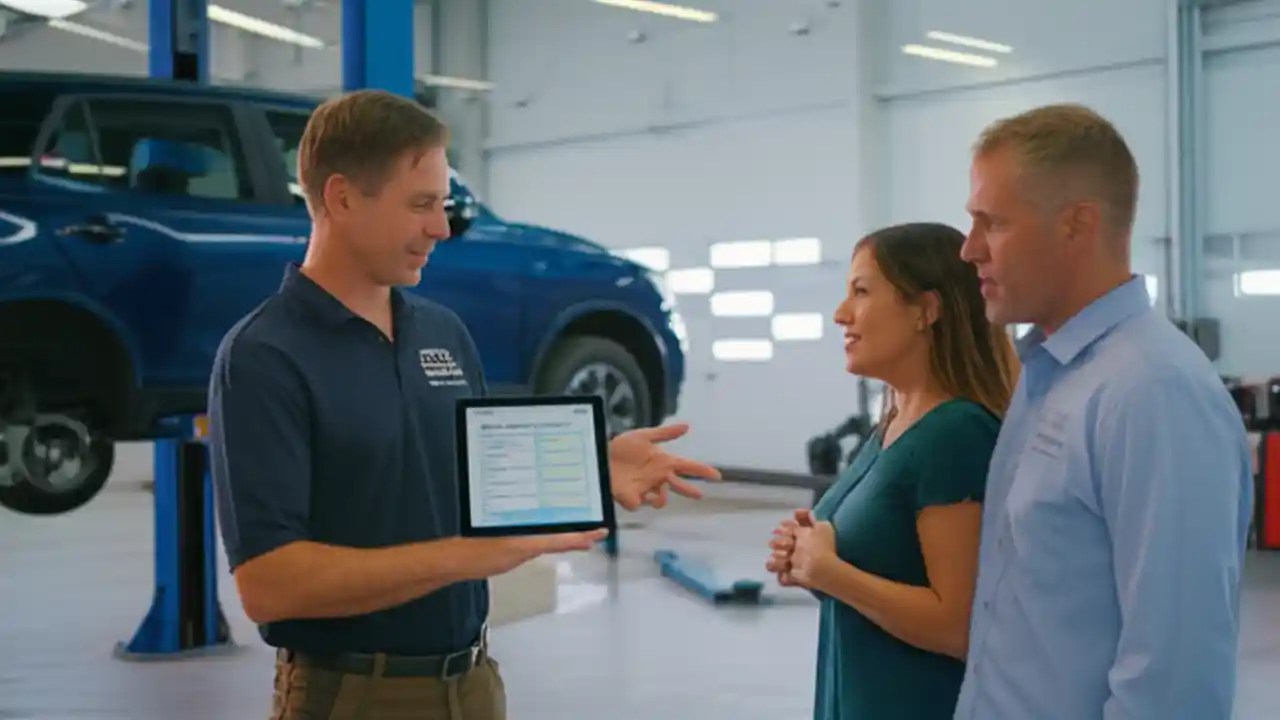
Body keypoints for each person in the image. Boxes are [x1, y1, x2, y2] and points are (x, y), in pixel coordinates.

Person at [205, 89, 720, 720]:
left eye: (442, 206)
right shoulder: (264, 357)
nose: (441, 228)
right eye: (420, 205)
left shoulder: (442, 332)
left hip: (473, 684)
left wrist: (588, 470)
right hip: (352, 697)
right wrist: (471, 557)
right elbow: (269, 585)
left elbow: (457, 487)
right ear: (341, 197)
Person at [952, 103, 1254, 720]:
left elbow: (1175, 679)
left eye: (993, 223)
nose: (969, 250)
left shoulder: (1151, 392)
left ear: (1076, 225)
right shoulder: (1049, 375)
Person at [766, 222, 1020, 719]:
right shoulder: (891, 426)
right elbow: (880, 576)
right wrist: (806, 559)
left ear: (926, 311)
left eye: (861, 292)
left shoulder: (956, 433)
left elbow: (958, 626)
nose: (842, 315)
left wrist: (831, 572)